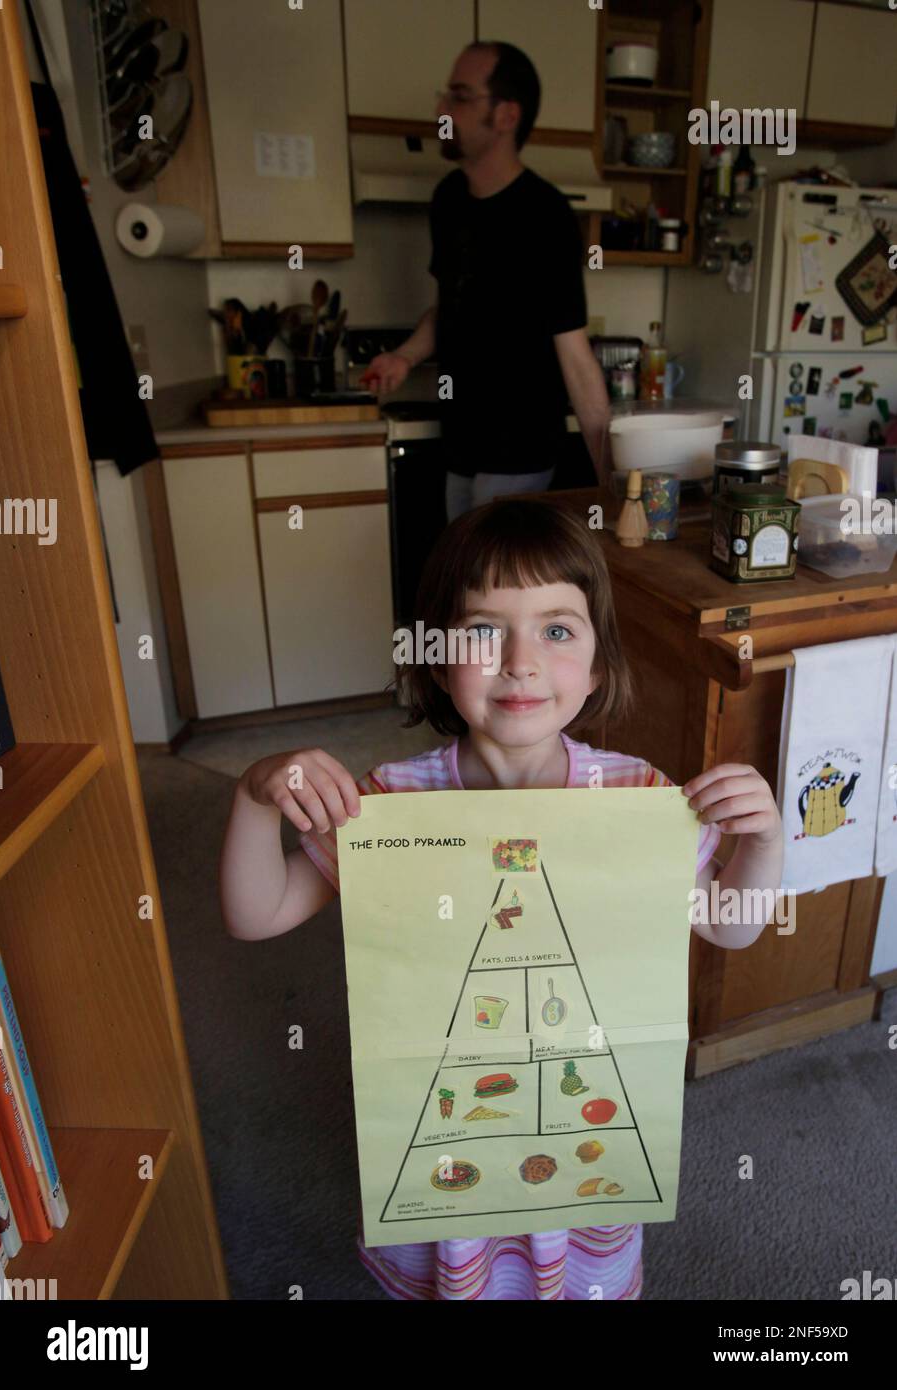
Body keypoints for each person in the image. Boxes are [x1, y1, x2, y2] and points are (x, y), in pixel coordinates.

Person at [219, 496, 784, 1301]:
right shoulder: (388, 802)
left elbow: (727, 928)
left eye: (556, 629)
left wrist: (761, 843)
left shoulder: (637, 795)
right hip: (449, 1151)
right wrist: (252, 795)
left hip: (587, 1144)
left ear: (595, 665)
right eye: (484, 630)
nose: (519, 661)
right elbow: (255, 913)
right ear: (436, 659)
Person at [362, 42, 613, 521]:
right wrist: (403, 356)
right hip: (460, 446)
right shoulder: (449, 199)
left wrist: (611, 480)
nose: (440, 109)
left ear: (505, 116)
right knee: (465, 586)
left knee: (493, 588)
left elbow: (576, 357)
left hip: (519, 452)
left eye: (458, 97)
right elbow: (451, 305)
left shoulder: (545, 216)